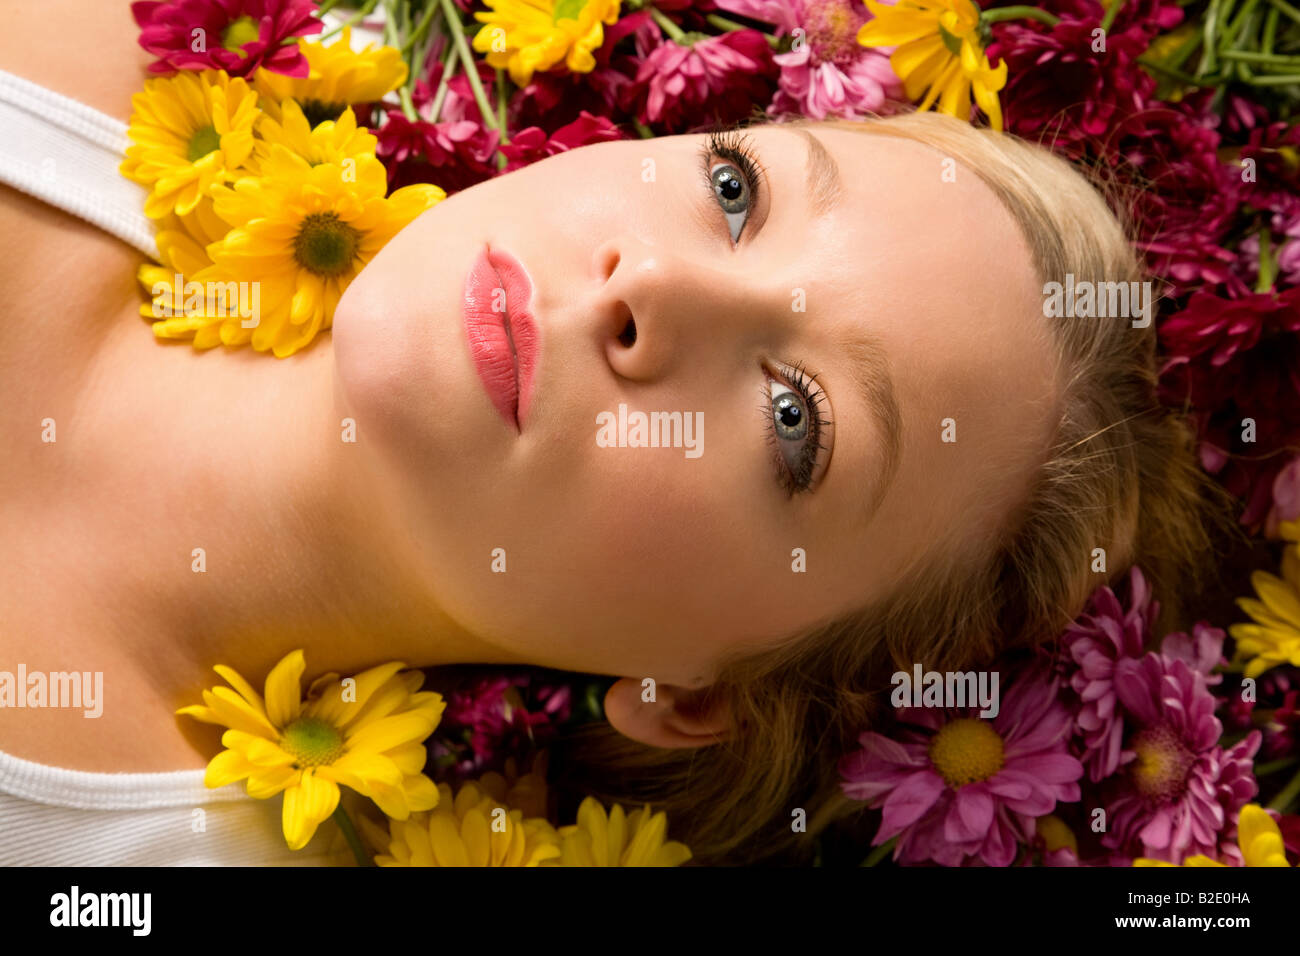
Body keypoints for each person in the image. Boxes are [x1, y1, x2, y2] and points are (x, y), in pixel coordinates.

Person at [0, 0, 1227, 865]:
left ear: (700, 697)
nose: (652, 284)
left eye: (794, 420)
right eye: (735, 192)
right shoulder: (126, 32)